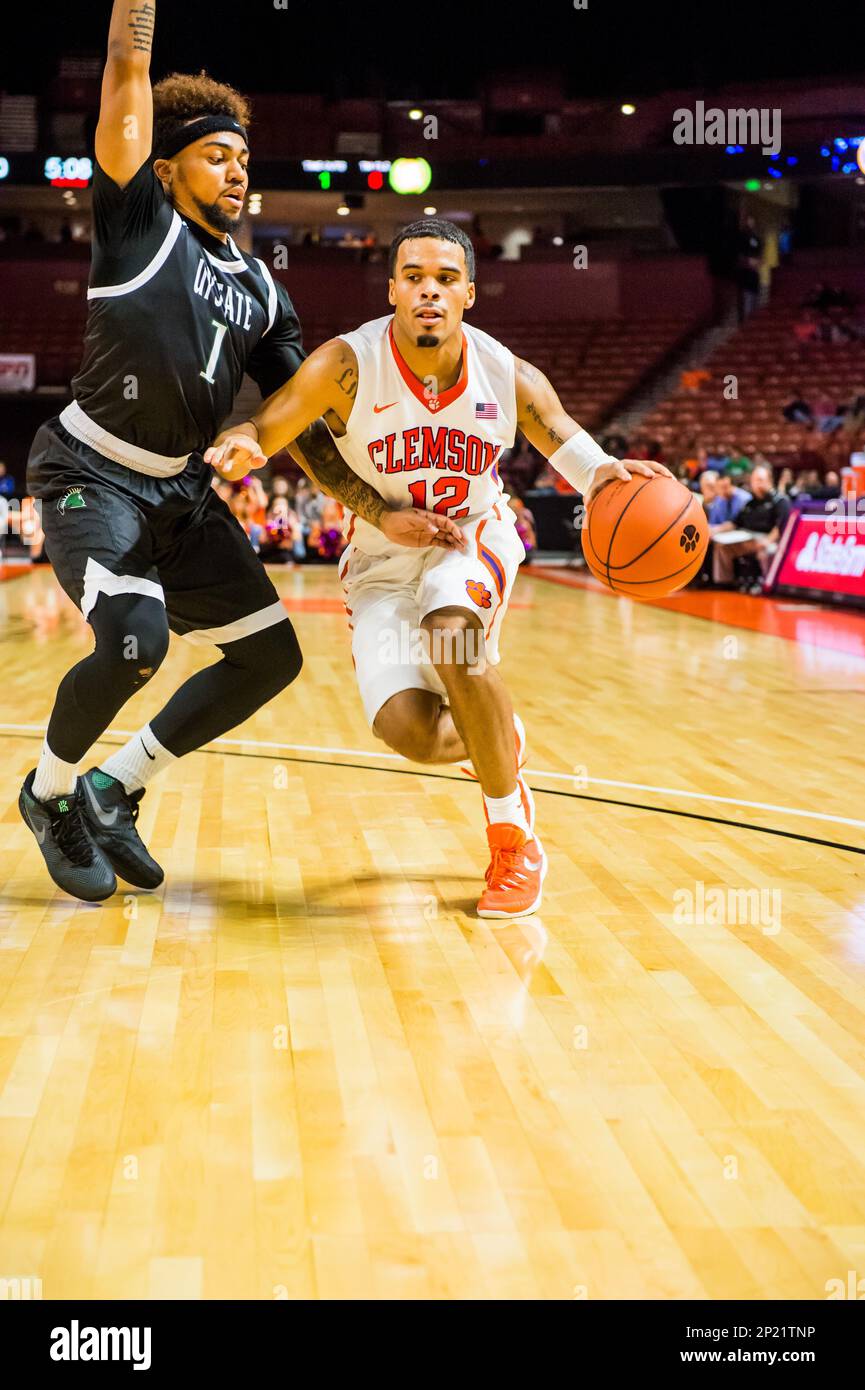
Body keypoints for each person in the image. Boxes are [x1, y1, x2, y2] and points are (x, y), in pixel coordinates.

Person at [19, 0, 459, 905]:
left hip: (178, 492)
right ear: (166, 166)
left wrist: (377, 508)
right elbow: (124, 74)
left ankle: (117, 787)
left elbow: (303, 416)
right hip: (87, 473)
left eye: (243, 159)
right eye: (216, 155)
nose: (235, 171)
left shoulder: (263, 288)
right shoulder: (137, 221)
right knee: (135, 641)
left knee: (269, 657)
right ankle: (51, 792)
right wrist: (134, 18)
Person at [206, 217, 672, 917]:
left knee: (450, 629)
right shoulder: (346, 364)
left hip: (472, 538)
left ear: (469, 294)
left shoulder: (503, 372)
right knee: (409, 731)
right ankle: (498, 738)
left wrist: (610, 477)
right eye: (415, 277)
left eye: (446, 279)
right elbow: (270, 425)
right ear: (392, 288)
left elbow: (568, 443)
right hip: (378, 559)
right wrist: (243, 441)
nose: (430, 290)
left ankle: (512, 841)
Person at [712, 464, 791, 592]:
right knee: (722, 546)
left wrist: (767, 541)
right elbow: (735, 523)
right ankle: (724, 582)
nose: (756, 484)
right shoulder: (750, 503)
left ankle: (767, 585)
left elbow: (782, 526)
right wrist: (715, 530)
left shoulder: (780, 501)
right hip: (747, 538)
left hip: (769, 539)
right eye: (754, 480)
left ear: (769, 481)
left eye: (760, 480)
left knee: (766, 551)